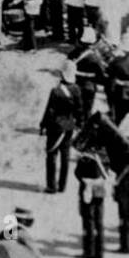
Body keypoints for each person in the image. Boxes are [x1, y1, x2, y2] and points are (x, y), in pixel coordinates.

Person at [40, 62, 82, 193]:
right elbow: (79, 109)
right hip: (69, 125)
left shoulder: (56, 91)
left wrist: (43, 125)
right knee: (65, 155)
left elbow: (49, 110)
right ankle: (62, 186)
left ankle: (51, 186)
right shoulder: (76, 89)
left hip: (55, 126)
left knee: (51, 155)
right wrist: (78, 124)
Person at [75, 146, 108, 258]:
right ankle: (100, 252)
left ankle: (89, 250)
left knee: (88, 221)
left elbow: (78, 172)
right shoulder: (104, 153)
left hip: (87, 190)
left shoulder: (87, 157)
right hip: (100, 190)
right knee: (99, 222)